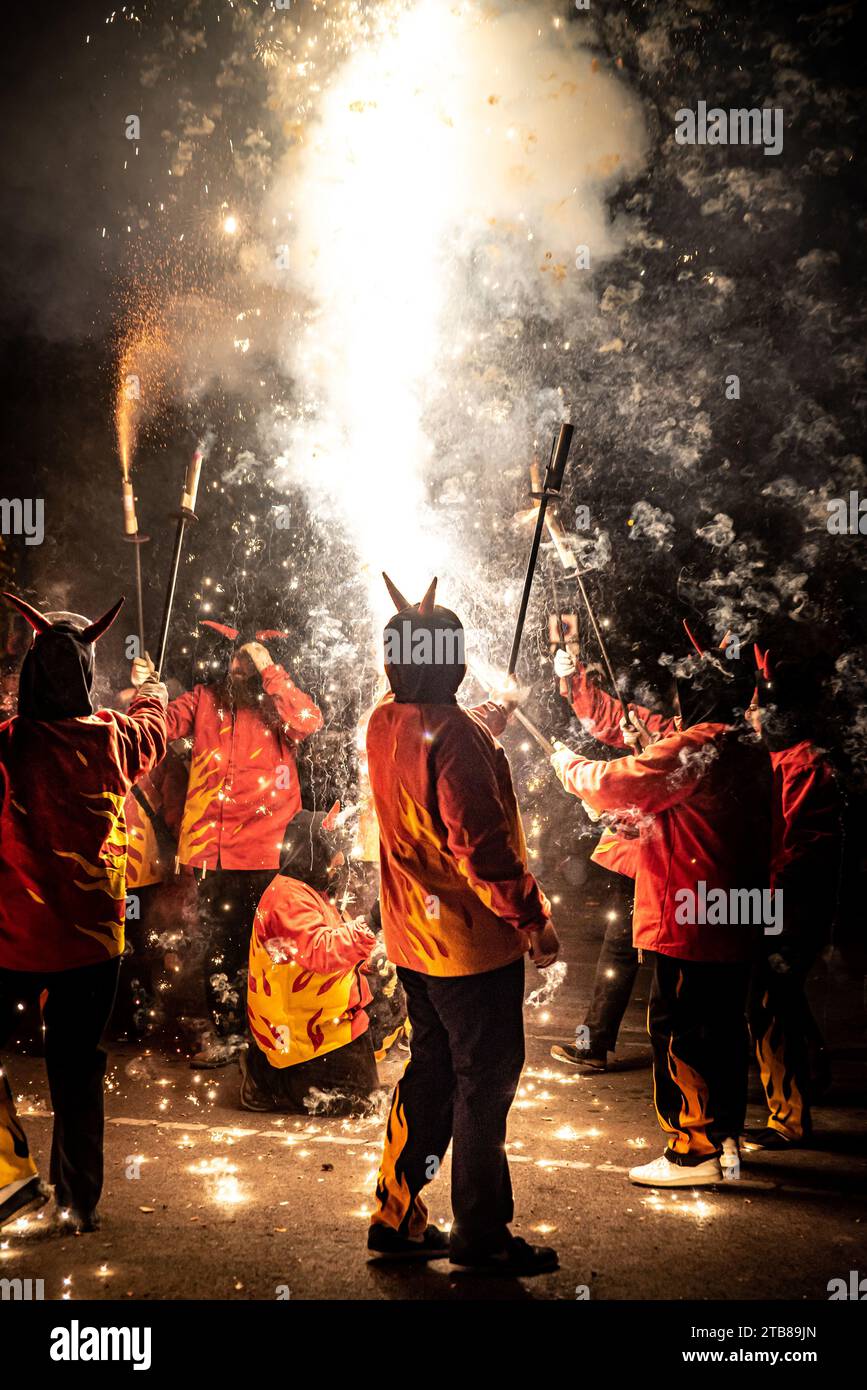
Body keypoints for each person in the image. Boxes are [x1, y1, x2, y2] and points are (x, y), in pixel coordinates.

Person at [365, 573, 560, 1273]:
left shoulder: (386, 720)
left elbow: (437, 739)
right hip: (469, 948)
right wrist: (532, 918)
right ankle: (481, 1234)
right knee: (485, 1081)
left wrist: (486, 719)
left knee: (432, 1071)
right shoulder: (454, 736)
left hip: (412, 942)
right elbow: (479, 848)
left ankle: (396, 1213)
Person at [551, 631, 772, 1187]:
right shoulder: (746, 746)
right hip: (732, 911)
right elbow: (687, 811)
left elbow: (615, 781)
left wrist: (568, 766)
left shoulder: (698, 745)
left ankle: (690, 1153)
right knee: (723, 1027)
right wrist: (643, 820)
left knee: (681, 1027)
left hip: (690, 915)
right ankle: (724, 1143)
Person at [0, 593, 167, 1231]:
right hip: (93, 943)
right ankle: (79, 1204)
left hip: (15, 939)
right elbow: (152, 727)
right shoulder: (114, 741)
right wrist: (149, 686)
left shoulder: (9, 746)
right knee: (76, 1068)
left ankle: (9, 1175)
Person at [132, 621, 323, 1065]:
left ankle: (260, 1033)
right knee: (209, 947)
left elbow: (309, 721)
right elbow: (157, 727)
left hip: (267, 851)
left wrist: (271, 671)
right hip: (210, 855)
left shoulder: (279, 706)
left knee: (264, 947)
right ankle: (217, 1033)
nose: (239, 669)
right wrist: (149, 692)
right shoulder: (203, 699)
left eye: (249, 662)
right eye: (236, 659)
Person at [551, 641, 675, 1070]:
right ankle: (593, 1042)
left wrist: (601, 798)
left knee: (675, 962)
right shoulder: (669, 727)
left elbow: (644, 788)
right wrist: (574, 678)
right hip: (640, 859)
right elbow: (608, 717)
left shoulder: (694, 744)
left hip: (678, 866)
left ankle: (684, 1059)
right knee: (619, 947)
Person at [744, 653, 844, 1149]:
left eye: (759, 708)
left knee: (771, 1000)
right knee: (778, 998)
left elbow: (783, 849)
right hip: (777, 902)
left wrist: (751, 911)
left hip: (789, 905)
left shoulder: (803, 765)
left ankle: (790, 1117)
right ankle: (812, 1072)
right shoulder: (782, 759)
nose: (750, 716)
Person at [241, 806, 381, 1114]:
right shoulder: (288, 899)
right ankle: (269, 1080)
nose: (340, 861)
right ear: (312, 853)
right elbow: (321, 951)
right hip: (301, 1034)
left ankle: (277, 1072)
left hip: (321, 1021)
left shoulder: (308, 888)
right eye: (333, 853)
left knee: (386, 997)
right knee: (361, 1102)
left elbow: (336, 939)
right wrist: (371, 922)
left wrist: (373, 962)